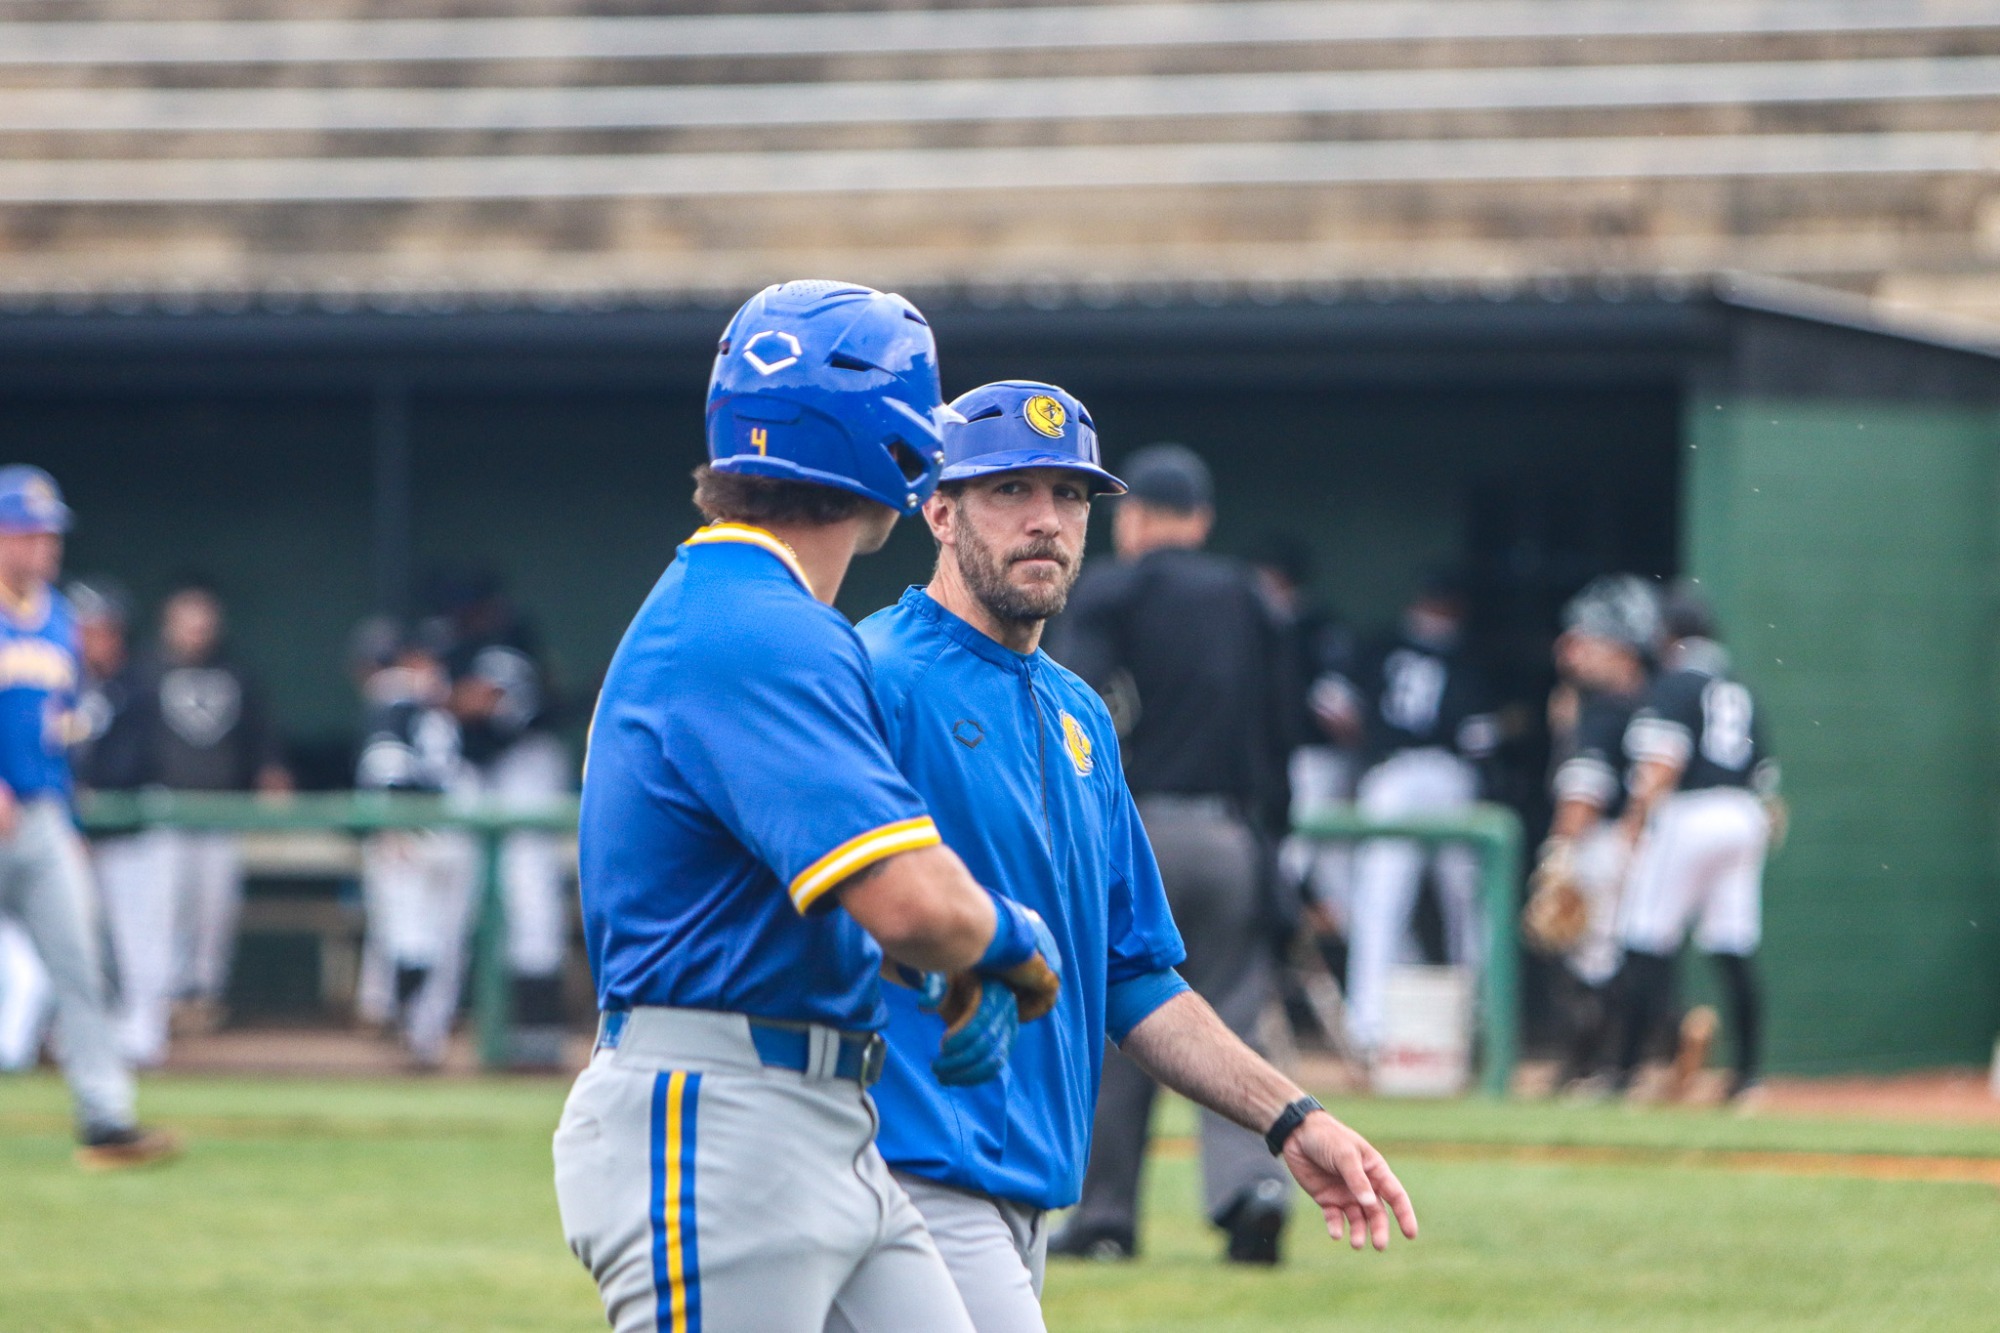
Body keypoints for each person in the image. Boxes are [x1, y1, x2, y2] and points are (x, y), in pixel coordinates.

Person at [552, 280, 1063, 1333]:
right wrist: (1005, 940)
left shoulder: (752, 611)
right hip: (715, 1120)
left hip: (816, 1116)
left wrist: (940, 958)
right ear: (894, 444)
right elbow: (914, 902)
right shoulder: (755, 624)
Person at [858, 381, 1418, 1329]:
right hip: (904, 1167)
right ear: (939, 508)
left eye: (1070, 495)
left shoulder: (1078, 714)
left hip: (1022, 1184)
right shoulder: (876, 676)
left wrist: (1292, 1117)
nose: (1046, 521)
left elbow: (1134, 977)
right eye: (1011, 491)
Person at [1044, 442, 1299, 1264]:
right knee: (1233, 1018)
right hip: (1231, 831)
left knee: (1125, 1017)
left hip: (1133, 827)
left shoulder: (1114, 588)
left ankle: (1106, 1218)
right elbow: (1280, 732)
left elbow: (1072, 712)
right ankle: (1251, 1190)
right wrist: (1273, 846)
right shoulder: (1253, 598)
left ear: (1135, 517)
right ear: (1204, 519)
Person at [0, 466, 177, 1167]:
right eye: (30, 532)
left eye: (50, 534)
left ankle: (106, 1118)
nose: (45, 546)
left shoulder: (60, 619)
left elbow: (56, 723)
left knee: (81, 964)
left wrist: (66, 813)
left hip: (42, 818)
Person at [91, 581, 291, 1044]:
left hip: (220, 807)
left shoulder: (236, 674)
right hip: (162, 808)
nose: (197, 631)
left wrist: (270, 771)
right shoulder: (144, 672)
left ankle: (201, 997)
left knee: (213, 910)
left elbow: (261, 739)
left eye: (204, 622)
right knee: (160, 910)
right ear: (168, 623)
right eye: (188, 621)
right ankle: (159, 1002)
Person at [1613, 582, 1778, 1103]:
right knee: (1733, 944)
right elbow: (1767, 779)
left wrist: (1633, 825)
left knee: (1644, 936)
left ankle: (1622, 1073)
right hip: (1744, 813)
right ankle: (1748, 1077)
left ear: (1669, 634)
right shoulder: (1738, 687)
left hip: (1692, 812)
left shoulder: (1674, 683)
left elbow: (1662, 762)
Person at [1325, 576, 1498, 1062]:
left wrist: (1368, 747)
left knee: (1383, 896)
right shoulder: (1467, 658)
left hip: (1392, 774)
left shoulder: (1381, 646)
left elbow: (1335, 710)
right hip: (1449, 774)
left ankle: (1368, 1025)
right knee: (1467, 902)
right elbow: (1482, 744)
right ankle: (1481, 1018)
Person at [1522, 575, 1662, 1092]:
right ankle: (1611, 1066)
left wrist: (1561, 849)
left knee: (1591, 959)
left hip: (1605, 841)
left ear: (1623, 649)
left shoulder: (1605, 710)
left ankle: (1595, 1069)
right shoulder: (1645, 701)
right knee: (1617, 954)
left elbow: (1586, 792)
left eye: (1588, 640)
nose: (1573, 651)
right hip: (1644, 843)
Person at [430, 569, 575, 1068]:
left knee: (532, 904)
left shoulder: (513, 648)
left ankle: (537, 1038)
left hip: (524, 771)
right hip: (472, 776)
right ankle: (430, 1035)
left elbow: (506, 709)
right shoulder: (445, 647)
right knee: (450, 907)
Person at [351, 620, 477, 1069]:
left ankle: (420, 1035)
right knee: (413, 940)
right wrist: (393, 823)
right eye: (423, 659)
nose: (431, 669)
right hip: (411, 836)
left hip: (446, 837)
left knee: (440, 944)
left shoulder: (439, 710)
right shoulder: (395, 698)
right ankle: (408, 1029)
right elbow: (384, 767)